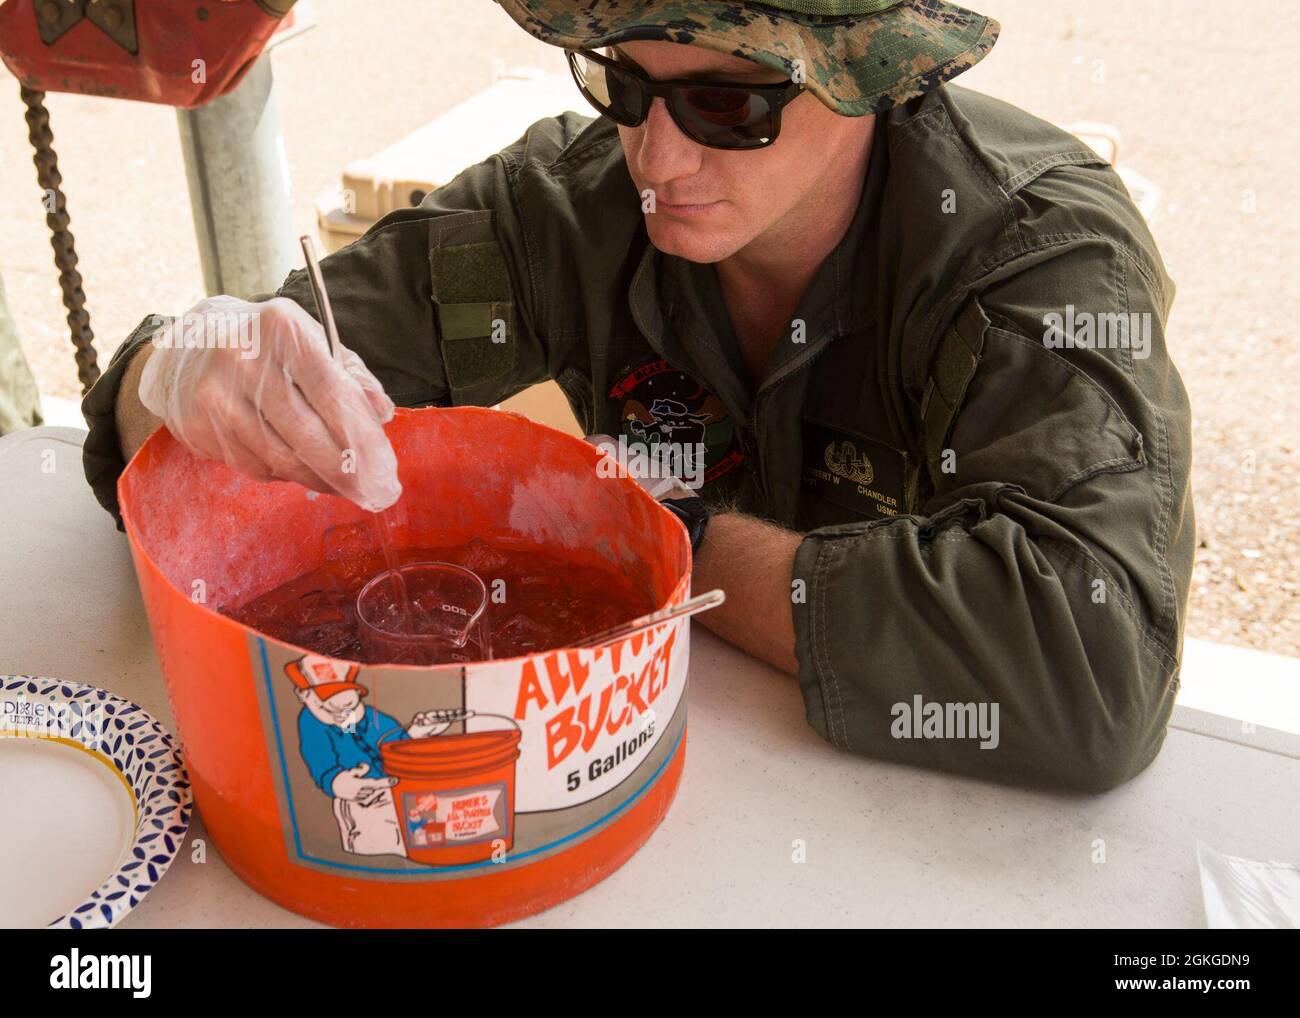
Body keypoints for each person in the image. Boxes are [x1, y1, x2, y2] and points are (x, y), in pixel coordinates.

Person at [81, 0, 1194, 793]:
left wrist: (661, 548)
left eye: (726, 103)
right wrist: (184, 369)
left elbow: (1086, 667)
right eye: (622, 82)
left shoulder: (1028, 252)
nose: (656, 156)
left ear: (868, 78)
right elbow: (188, 418)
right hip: (640, 791)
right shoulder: (563, 214)